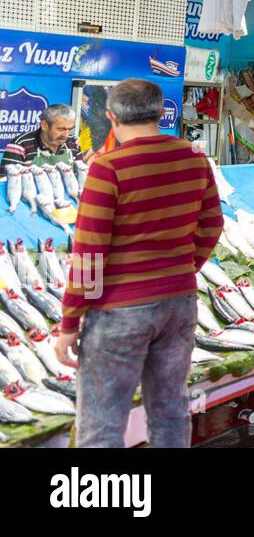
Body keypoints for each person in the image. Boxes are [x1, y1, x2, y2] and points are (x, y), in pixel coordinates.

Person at [54, 79, 222, 447]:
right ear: (161, 114)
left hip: (119, 311)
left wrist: (69, 322)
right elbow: (212, 225)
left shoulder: (108, 167)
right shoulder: (194, 158)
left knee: (102, 423)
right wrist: (181, 269)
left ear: (111, 117)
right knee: (170, 409)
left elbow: (89, 252)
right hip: (179, 303)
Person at [3, 103, 84, 166]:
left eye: (69, 129)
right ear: (44, 125)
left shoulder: (73, 143)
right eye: (61, 129)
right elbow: (5, 181)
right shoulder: (20, 145)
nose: (66, 134)